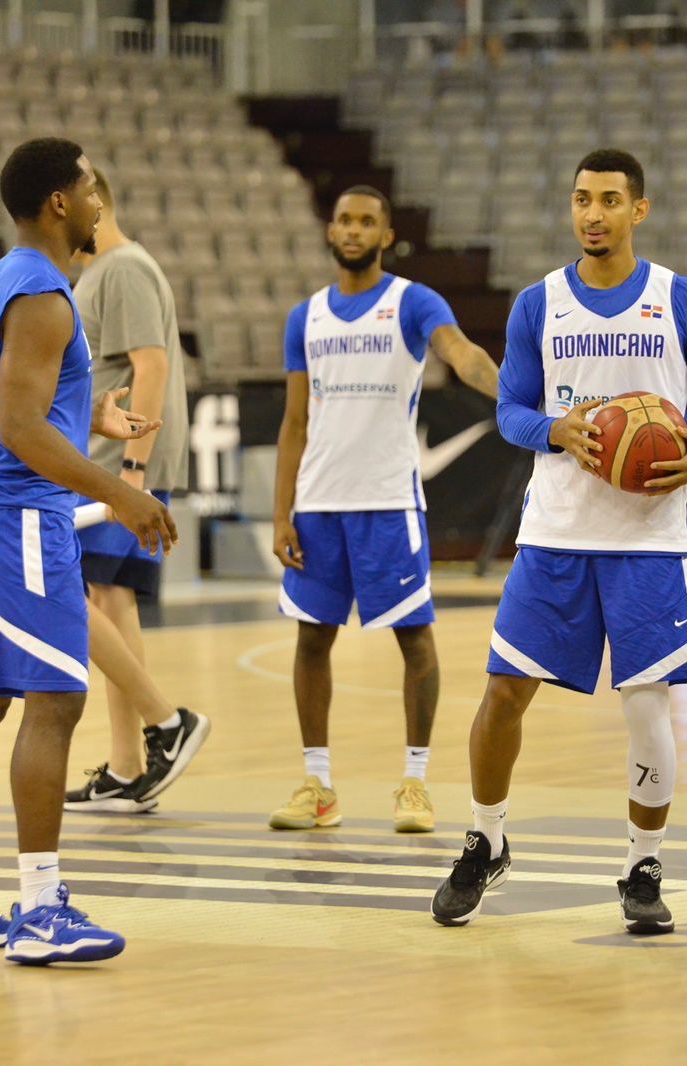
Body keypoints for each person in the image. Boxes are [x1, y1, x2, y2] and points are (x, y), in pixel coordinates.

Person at [429, 149, 687, 933]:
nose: (592, 214)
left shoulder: (682, 298)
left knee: (646, 711)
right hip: (557, 535)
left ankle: (644, 865)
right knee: (504, 693)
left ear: (638, 209)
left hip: (648, 538)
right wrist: (553, 430)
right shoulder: (539, 304)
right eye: (581, 200)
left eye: (608, 200)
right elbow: (508, 409)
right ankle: (486, 839)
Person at [0, 139, 177, 965]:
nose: (100, 201)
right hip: (15, 517)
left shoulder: (5, 279)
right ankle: (39, 909)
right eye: (91, 187)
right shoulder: (47, 296)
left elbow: (19, 407)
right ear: (60, 202)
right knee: (55, 700)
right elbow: (20, 431)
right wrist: (123, 492)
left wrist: (89, 418)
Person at [269, 184, 499, 833]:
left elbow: (458, 353)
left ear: (385, 233)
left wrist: (506, 387)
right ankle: (317, 785)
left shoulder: (412, 302)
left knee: (413, 640)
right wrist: (281, 512)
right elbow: (292, 421)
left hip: (388, 501)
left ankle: (416, 783)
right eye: (343, 219)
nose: (352, 229)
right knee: (312, 640)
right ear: (330, 230)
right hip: (317, 506)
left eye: (366, 220)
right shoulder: (305, 317)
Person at [62, 166, 210, 814]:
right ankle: (129, 764)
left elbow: (150, 366)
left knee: (68, 595)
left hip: (116, 469)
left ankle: (165, 722)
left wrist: (132, 474)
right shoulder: (100, 272)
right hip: (109, 467)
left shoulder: (121, 268)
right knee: (108, 598)